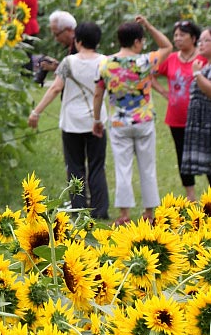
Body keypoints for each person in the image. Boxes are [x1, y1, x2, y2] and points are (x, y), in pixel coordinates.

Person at [93, 16, 173, 225]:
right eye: (142, 40)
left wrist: (96, 120)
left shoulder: (105, 63)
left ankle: (125, 215)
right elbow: (167, 45)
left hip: (119, 124)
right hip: (144, 121)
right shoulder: (145, 61)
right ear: (137, 41)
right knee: (147, 167)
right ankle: (149, 212)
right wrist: (148, 25)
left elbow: (98, 94)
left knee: (123, 168)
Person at [28, 22, 109, 219]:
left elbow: (55, 88)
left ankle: (78, 208)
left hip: (72, 122)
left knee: (75, 166)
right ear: (97, 41)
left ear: (78, 41)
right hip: (97, 120)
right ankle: (100, 209)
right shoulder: (106, 61)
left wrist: (36, 112)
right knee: (97, 166)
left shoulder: (68, 62)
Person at [153, 20, 207, 200]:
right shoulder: (171, 59)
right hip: (176, 118)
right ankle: (190, 195)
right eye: (175, 35)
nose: (177, 38)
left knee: (207, 155)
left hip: (201, 118)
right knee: (182, 156)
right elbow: (150, 74)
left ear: (193, 38)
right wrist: (163, 91)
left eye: (182, 35)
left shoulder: (203, 59)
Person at [180, 28, 211, 190]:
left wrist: (197, 74)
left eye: (206, 40)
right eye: (200, 41)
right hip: (203, 125)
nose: (201, 44)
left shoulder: (201, 69)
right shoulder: (206, 66)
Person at [36, 11, 77, 81]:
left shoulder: (80, 47)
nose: (56, 39)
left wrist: (58, 68)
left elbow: (78, 73)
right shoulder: (73, 45)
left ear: (69, 30)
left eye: (57, 35)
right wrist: (58, 66)